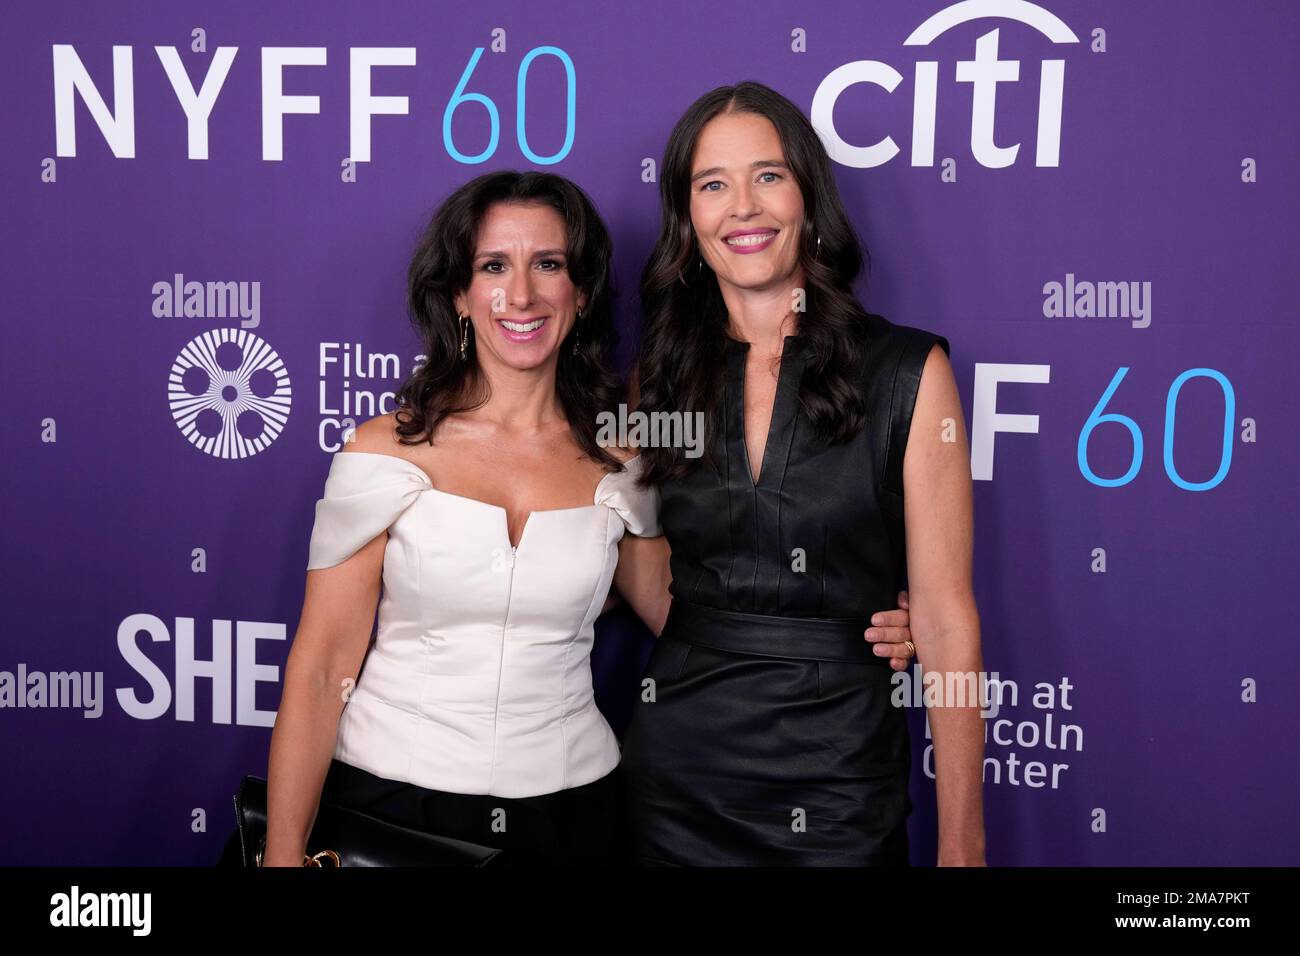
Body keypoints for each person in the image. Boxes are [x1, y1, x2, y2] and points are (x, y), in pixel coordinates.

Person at [261, 169, 919, 867]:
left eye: (549, 264)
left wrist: (849, 624)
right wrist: (281, 854)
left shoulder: (622, 455)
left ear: (579, 291)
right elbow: (319, 668)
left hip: (573, 819)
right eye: (493, 266)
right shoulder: (381, 451)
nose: (522, 294)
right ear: (458, 294)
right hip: (390, 811)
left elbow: (702, 616)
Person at [615, 82, 987, 866]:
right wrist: (736, 638)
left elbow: (948, 621)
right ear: (689, 221)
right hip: (679, 775)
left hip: (843, 778)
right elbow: (637, 547)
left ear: (811, 198)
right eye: (712, 185)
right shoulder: (660, 380)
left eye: (769, 176)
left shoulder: (910, 372)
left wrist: (962, 843)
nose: (742, 207)